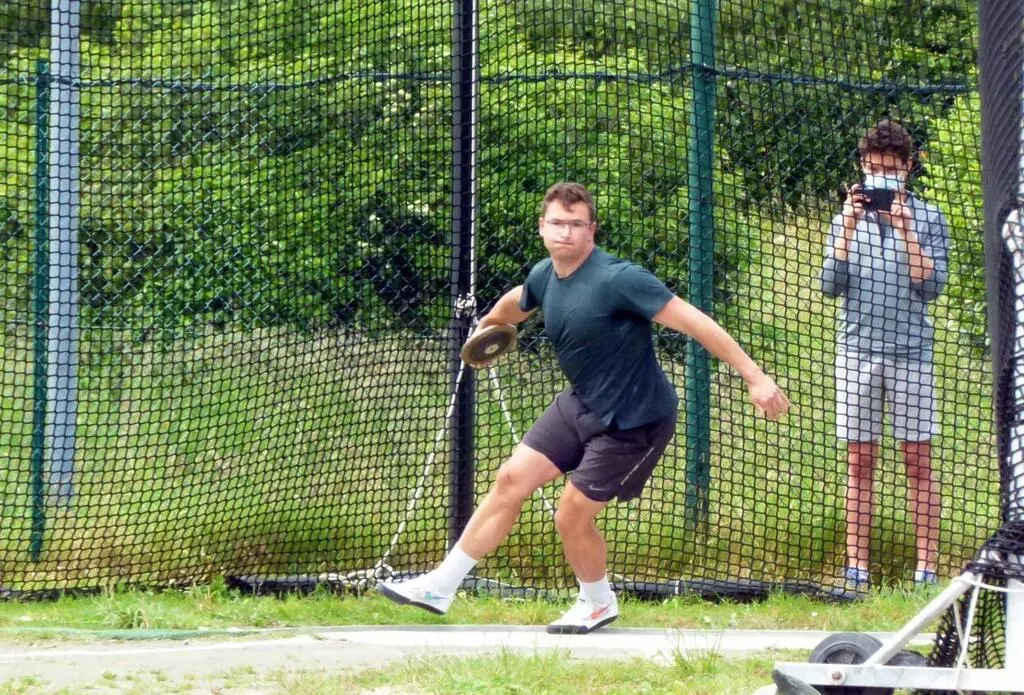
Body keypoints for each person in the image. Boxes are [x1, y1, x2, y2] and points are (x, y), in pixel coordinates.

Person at [379, 181, 790, 633]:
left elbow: (697, 323)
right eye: (557, 223)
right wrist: (490, 326)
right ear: (542, 227)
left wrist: (755, 376)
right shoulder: (543, 275)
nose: (566, 233)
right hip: (580, 403)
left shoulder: (621, 279)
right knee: (511, 479)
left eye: (576, 225)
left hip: (635, 420)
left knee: (570, 513)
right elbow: (517, 303)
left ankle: (597, 602)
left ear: (592, 230)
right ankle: (440, 587)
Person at [820, 120, 950, 591]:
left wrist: (906, 229)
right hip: (857, 353)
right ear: (862, 167)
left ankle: (926, 570)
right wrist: (850, 224)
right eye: (873, 169)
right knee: (860, 461)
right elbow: (829, 285)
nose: (881, 178)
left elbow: (931, 287)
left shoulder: (930, 218)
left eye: (891, 170)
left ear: (908, 169)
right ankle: (856, 567)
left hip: (912, 354)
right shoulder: (844, 218)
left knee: (918, 461)